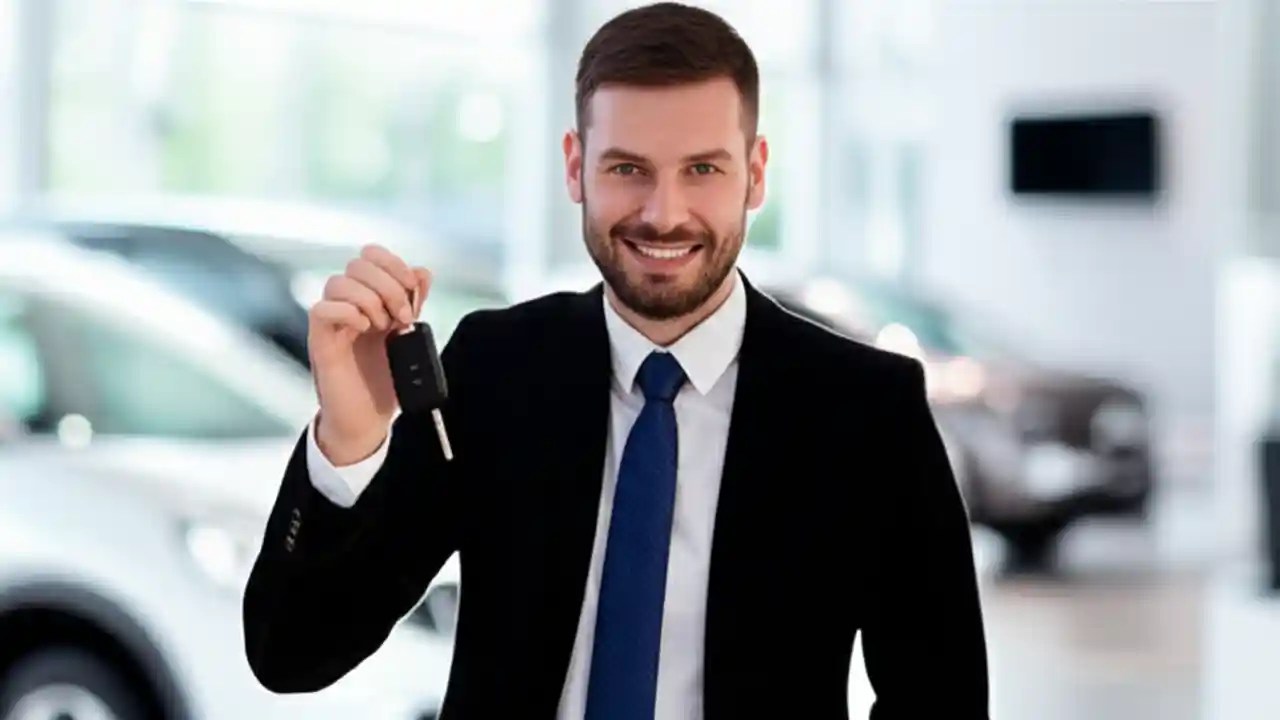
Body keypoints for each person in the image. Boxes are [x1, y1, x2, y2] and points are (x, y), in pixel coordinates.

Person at [241, 3, 989, 718]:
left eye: (703, 170)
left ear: (756, 174)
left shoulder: (866, 411)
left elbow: (942, 700)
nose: (664, 213)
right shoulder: (494, 371)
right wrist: (349, 437)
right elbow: (293, 654)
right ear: (576, 167)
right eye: (628, 168)